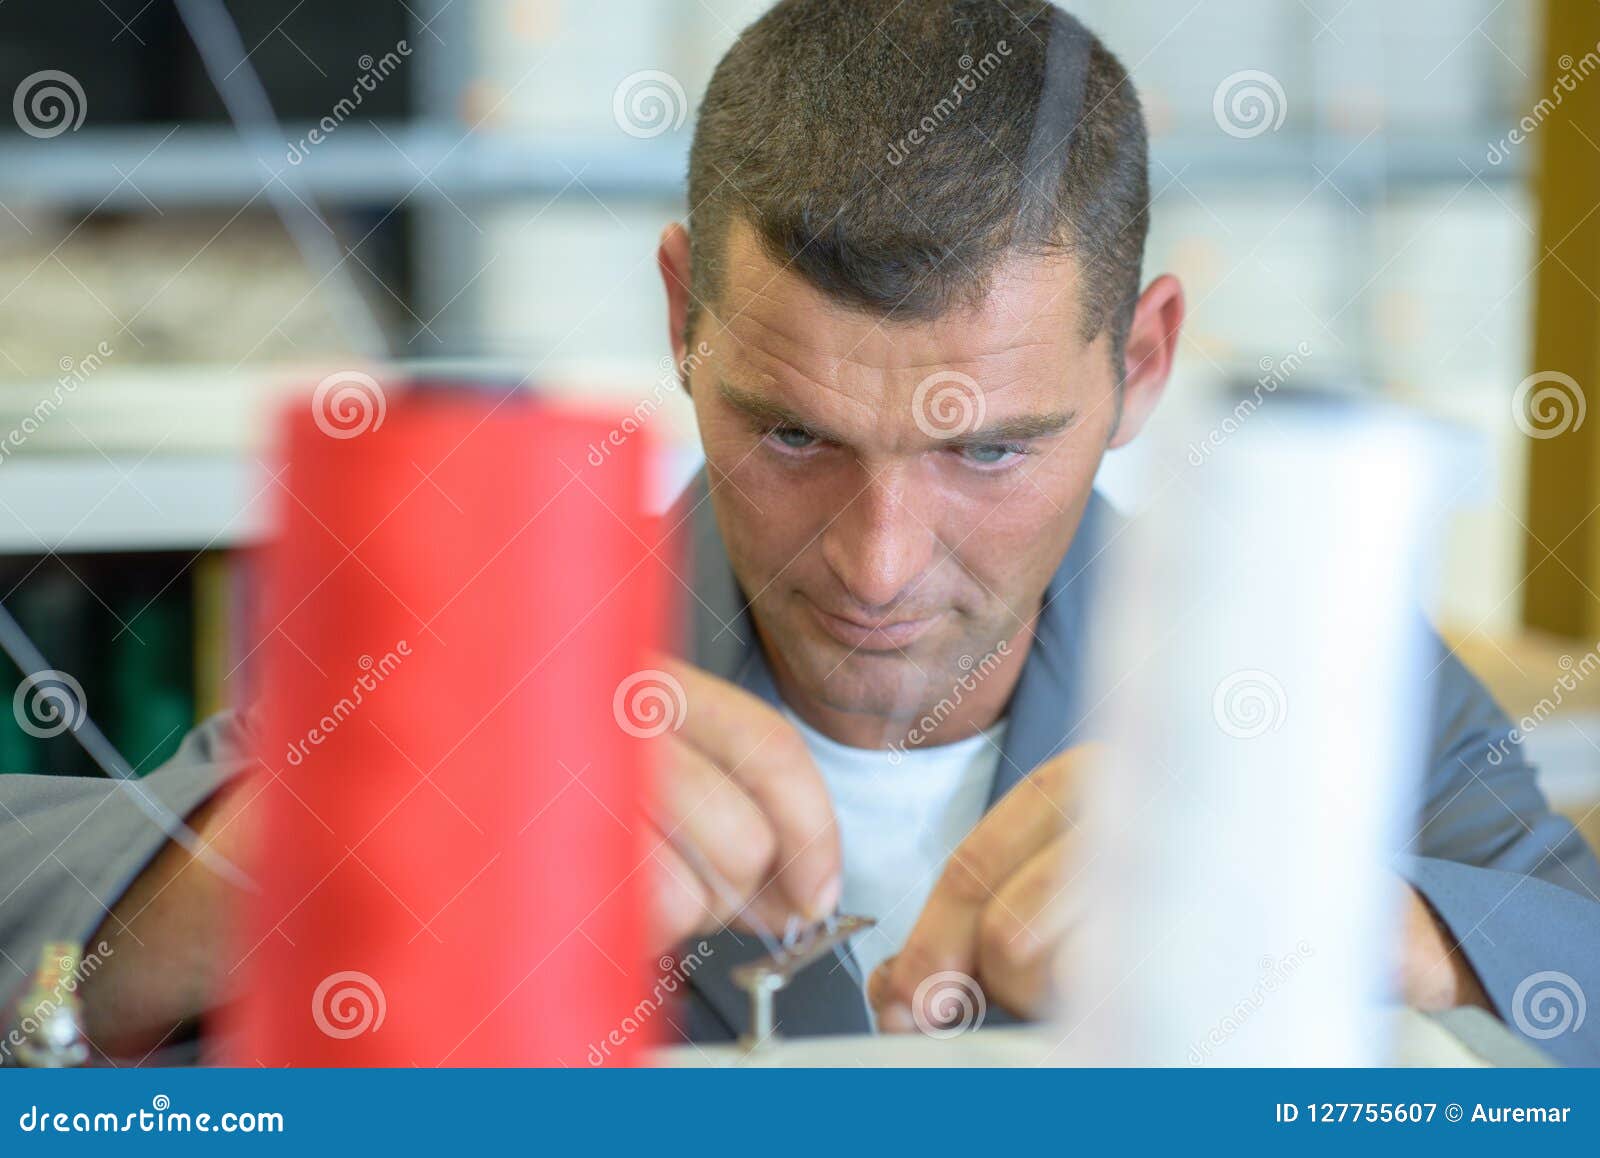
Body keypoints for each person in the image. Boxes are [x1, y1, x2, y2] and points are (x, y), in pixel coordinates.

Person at [3, 0, 1598, 1064]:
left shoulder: (1302, 686)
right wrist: (238, 888)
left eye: (988, 450)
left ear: (1146, 363)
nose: (880, 559)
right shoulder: (489, 652)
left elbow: (1574, 968)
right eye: (794, 435)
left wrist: (1404, 935)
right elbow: (50, 923)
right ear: (682, 318)